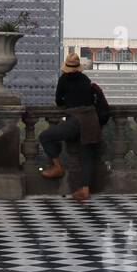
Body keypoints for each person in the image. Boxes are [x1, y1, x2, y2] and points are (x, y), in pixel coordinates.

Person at [38, 51, 101, 202]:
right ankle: (85, 190)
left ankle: (57, 167)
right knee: (86, 155)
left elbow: (59, 101)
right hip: (92, 120)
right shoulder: (85, 78)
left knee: (45, 136)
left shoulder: (64, 79)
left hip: (76, 120)